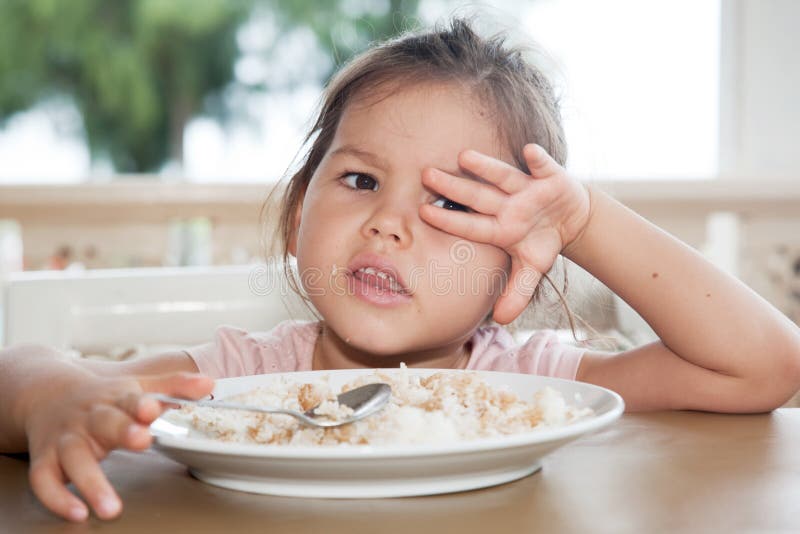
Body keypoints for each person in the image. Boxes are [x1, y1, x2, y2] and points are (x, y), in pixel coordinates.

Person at [1, 18, 799, 523]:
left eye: (453, 205)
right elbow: (20, 377)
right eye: (359, 181)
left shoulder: (529, 385)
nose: (388, 221)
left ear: (519, 260)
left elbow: (765, 367)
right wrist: (53, 396)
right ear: (295, 216)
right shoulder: (234, 383)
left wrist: (585, 221)